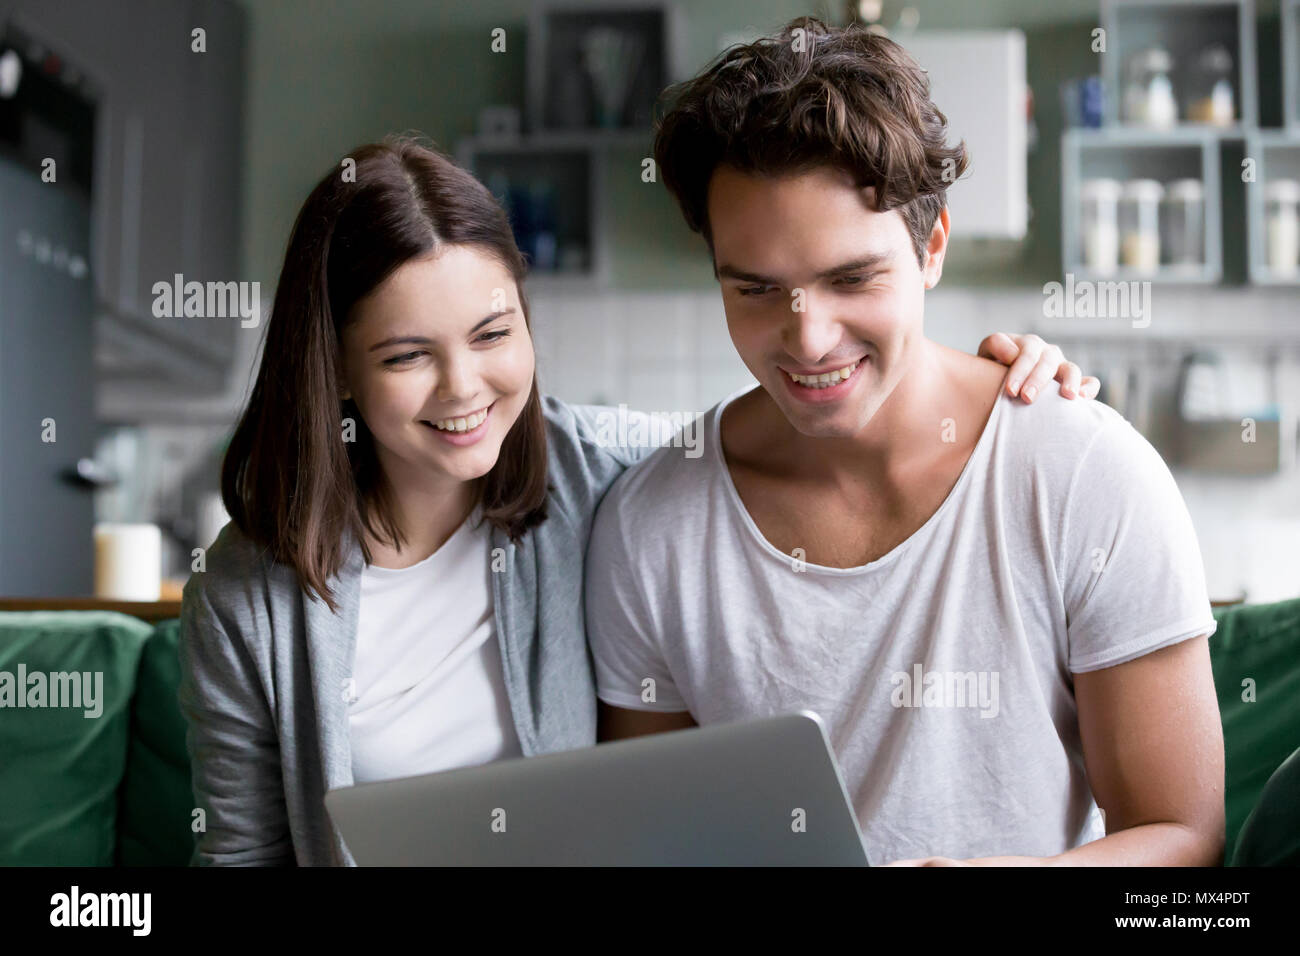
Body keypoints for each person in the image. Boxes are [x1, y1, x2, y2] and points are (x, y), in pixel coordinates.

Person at [178, 133, 1099, 865]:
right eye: (406, 355)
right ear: (335, 365)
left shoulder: (606, 474)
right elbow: (245, 854)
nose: (464, 389)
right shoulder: (246, 600)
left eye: (493, 334)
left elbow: (794, 426)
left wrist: (995, 381)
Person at [586, 18, 1224, 866]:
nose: (807, 340)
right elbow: (648, 841)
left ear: (931, 248)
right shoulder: (648, 527)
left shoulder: (1086, 475)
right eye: (756, 289)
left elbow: (1184, 843)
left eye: (852, 278)